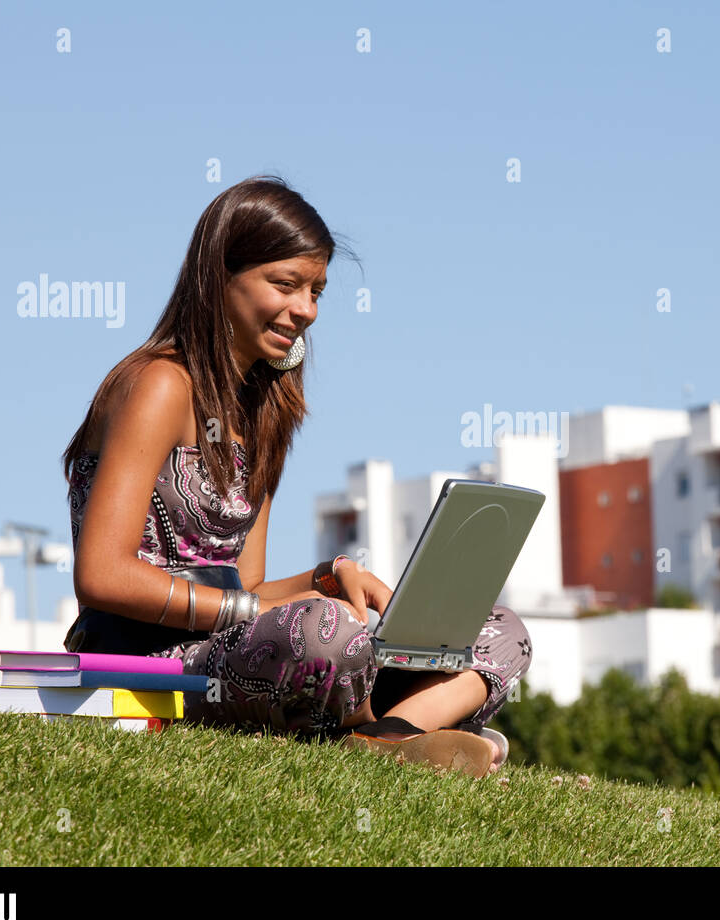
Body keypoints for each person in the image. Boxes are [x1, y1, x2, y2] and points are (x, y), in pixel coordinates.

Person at [59, 175, 531, 777]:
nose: (305, 310)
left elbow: (247, 582)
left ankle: (386, 735)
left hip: (238, 647)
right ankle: (400, 727)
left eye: (316, 291)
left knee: (497, 629)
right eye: (285, 285)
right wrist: (274, 612)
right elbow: (101, 575)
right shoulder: (157, 385)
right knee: (322, 631)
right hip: (145, 658)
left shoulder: (263, 411)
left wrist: (326, 577)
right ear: (217, 278)